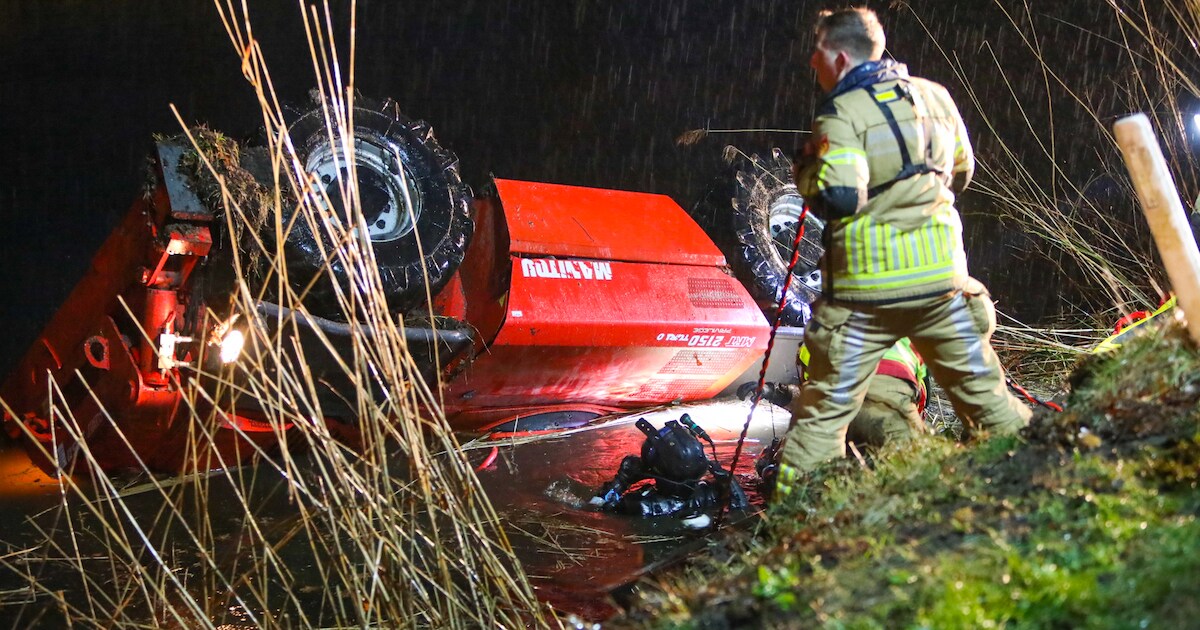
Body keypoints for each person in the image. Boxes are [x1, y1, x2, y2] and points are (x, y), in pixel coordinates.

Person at [776, 7, 1031, 480]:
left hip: (867, 293)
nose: (812, 62)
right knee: (987, 401)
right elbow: (963, 171)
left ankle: (801, 523)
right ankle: (1037, 484)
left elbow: (841, 196)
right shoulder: (937, 97)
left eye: (817, 52)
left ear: (839, 58)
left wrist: (806, 169)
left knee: (824, 420)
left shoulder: (842, 113)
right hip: (942, 282)